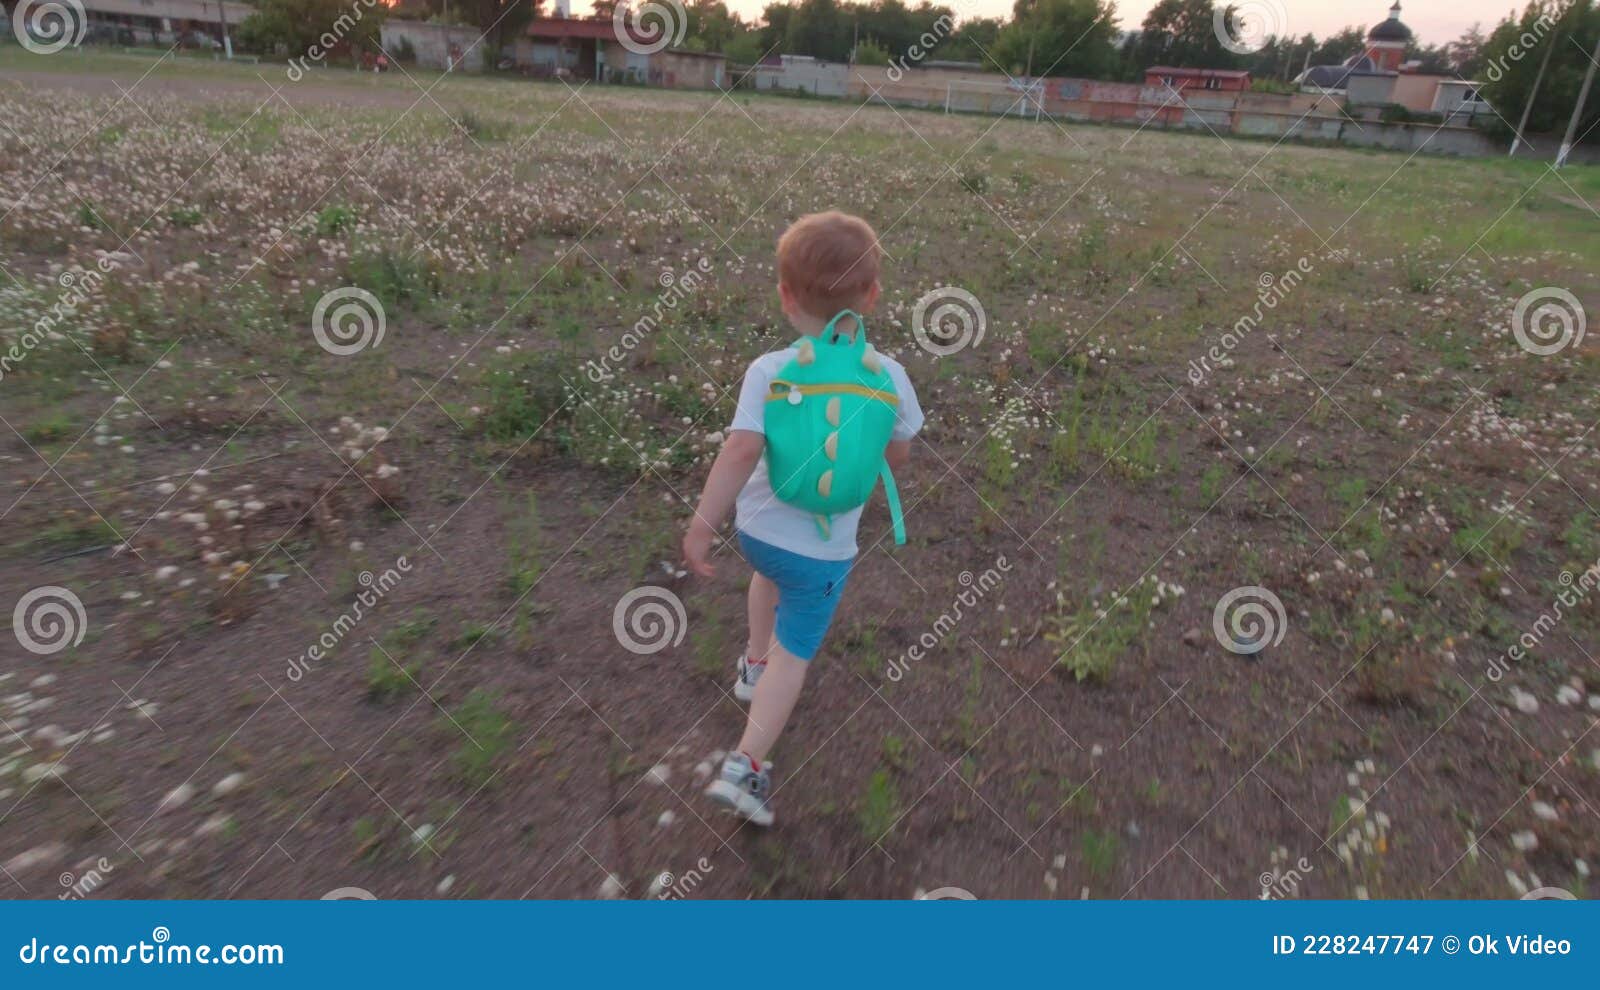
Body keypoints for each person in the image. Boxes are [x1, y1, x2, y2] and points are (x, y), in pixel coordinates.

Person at [682, 211, 924, 826]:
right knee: (799, 655)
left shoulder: (770, 370)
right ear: (871, 296)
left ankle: (751, 663)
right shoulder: (890, 376)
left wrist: (703, 524)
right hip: (823, 553)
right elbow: (897, 453)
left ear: (786, 298)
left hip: (759, 534)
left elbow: (739, 451)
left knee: (768, 580)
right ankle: (746, 765)